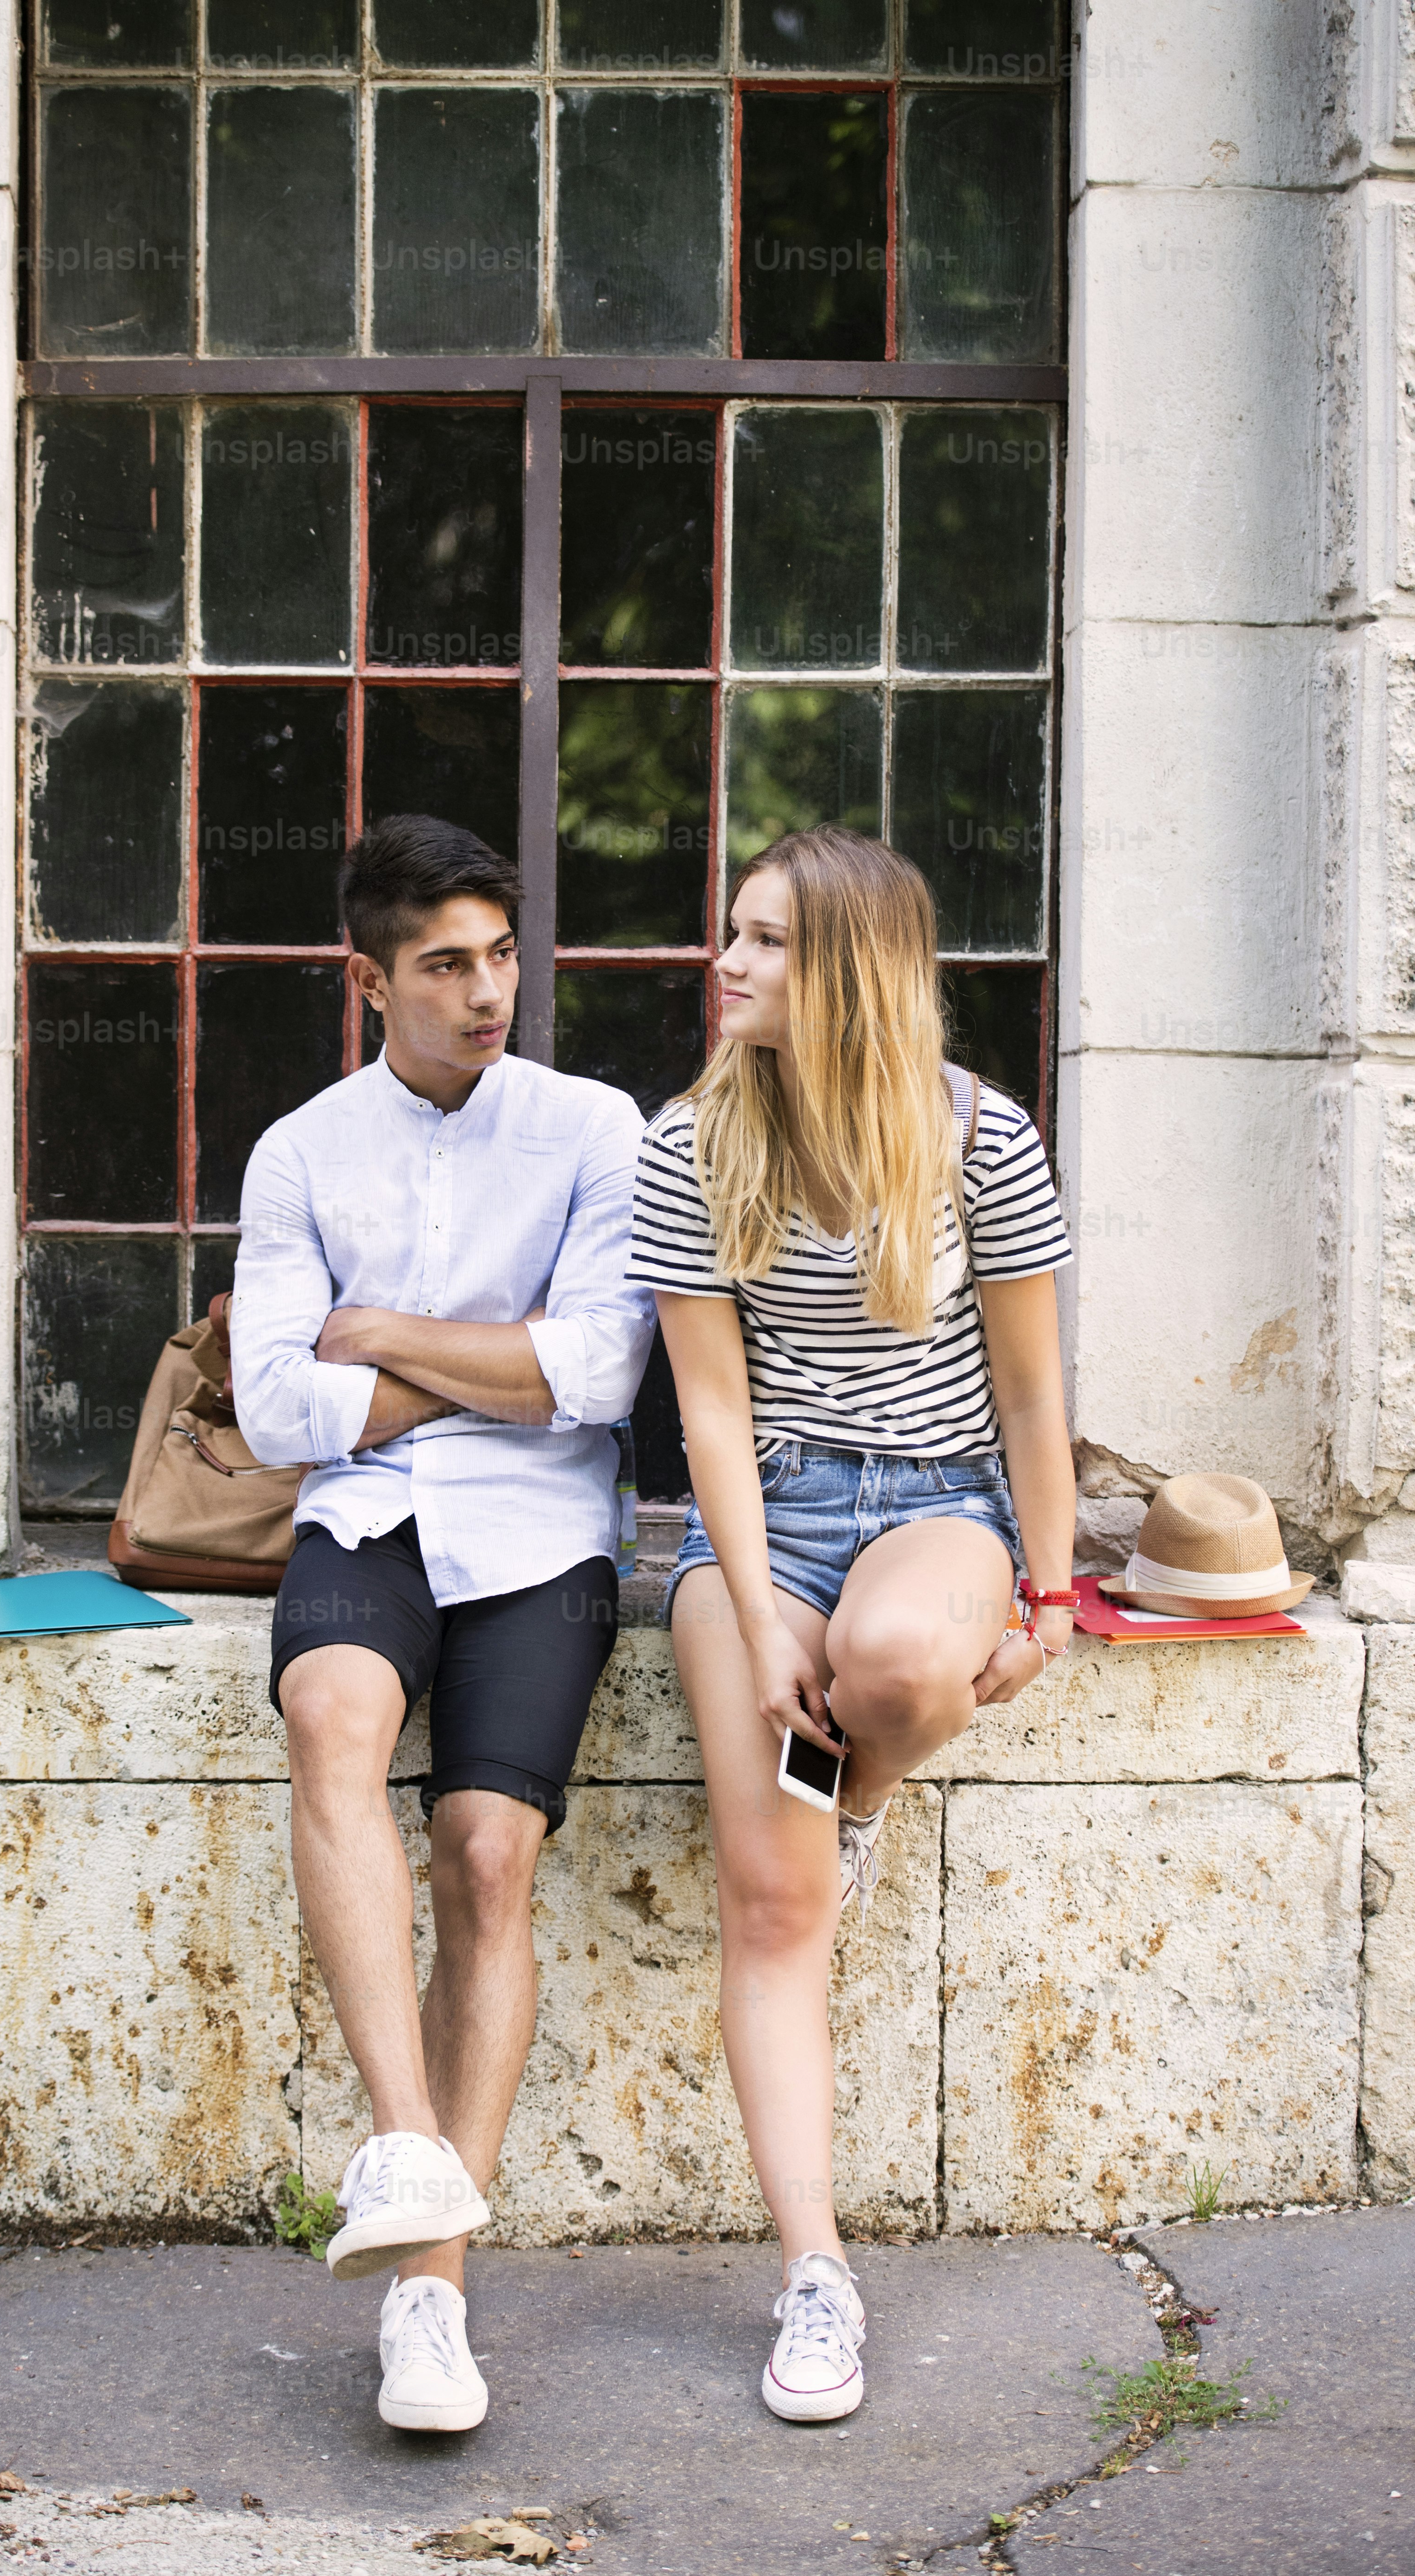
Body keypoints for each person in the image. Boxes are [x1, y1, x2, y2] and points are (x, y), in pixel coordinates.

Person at [626, 826, 1075, 2425]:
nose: (728, 964)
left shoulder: (977, 1136)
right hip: (767, 1521)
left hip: (940, 1499)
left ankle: (851, 1803)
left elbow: (1028, 1385)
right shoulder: (689, 1143)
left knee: (890, 1670)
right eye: (731, 933)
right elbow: (712, 1414)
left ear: (851, 968)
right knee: (770, 1906)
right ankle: (817, 2276)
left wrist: (1050, 1582)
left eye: (765, 940)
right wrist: (757, 1623)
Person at [231, 814, 655, 2436]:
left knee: (486, 1853)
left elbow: (604, 1376)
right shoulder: (301, 1152)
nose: (490, 993)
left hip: (542, 1533)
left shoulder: (592, 1128)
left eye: (502, 955)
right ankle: (408, 2157)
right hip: (363, 1520)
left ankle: (432, 2297)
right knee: (333, 1719)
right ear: (368, 980)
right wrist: (498, 1359)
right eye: (446, 965)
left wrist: (387, 1346)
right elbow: (277, 1410)